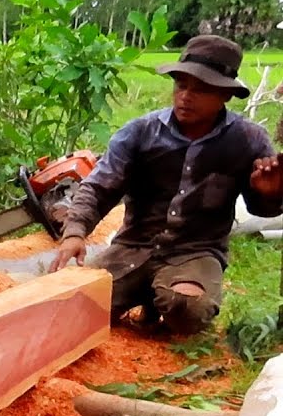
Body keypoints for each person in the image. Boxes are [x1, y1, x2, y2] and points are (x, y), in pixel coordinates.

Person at [50, 35, 283, 336]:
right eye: (181, 85)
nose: (186, 96)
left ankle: (163, 298)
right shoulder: (139, 132)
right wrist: (75, 232)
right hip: (132, 248)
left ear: (225, 95)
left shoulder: (249, 140)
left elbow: (262, 208)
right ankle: (144, 292)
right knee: (72, 306)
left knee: (187, 307)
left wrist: (270, 193)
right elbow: (99, 187)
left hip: (196, 252)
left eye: (201, 89)